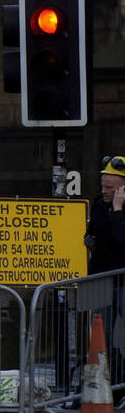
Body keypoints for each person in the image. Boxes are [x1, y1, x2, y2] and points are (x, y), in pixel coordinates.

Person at [85, 155, 125, 384]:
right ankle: (107, 378)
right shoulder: (99, 204)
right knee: (102, 333)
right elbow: (98, 233)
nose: (105, 191)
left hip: (122, 278)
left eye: (110, 187)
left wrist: (118, 210)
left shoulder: (119, 207)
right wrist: (89, 238)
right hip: (101, 276)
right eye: (103, 186)